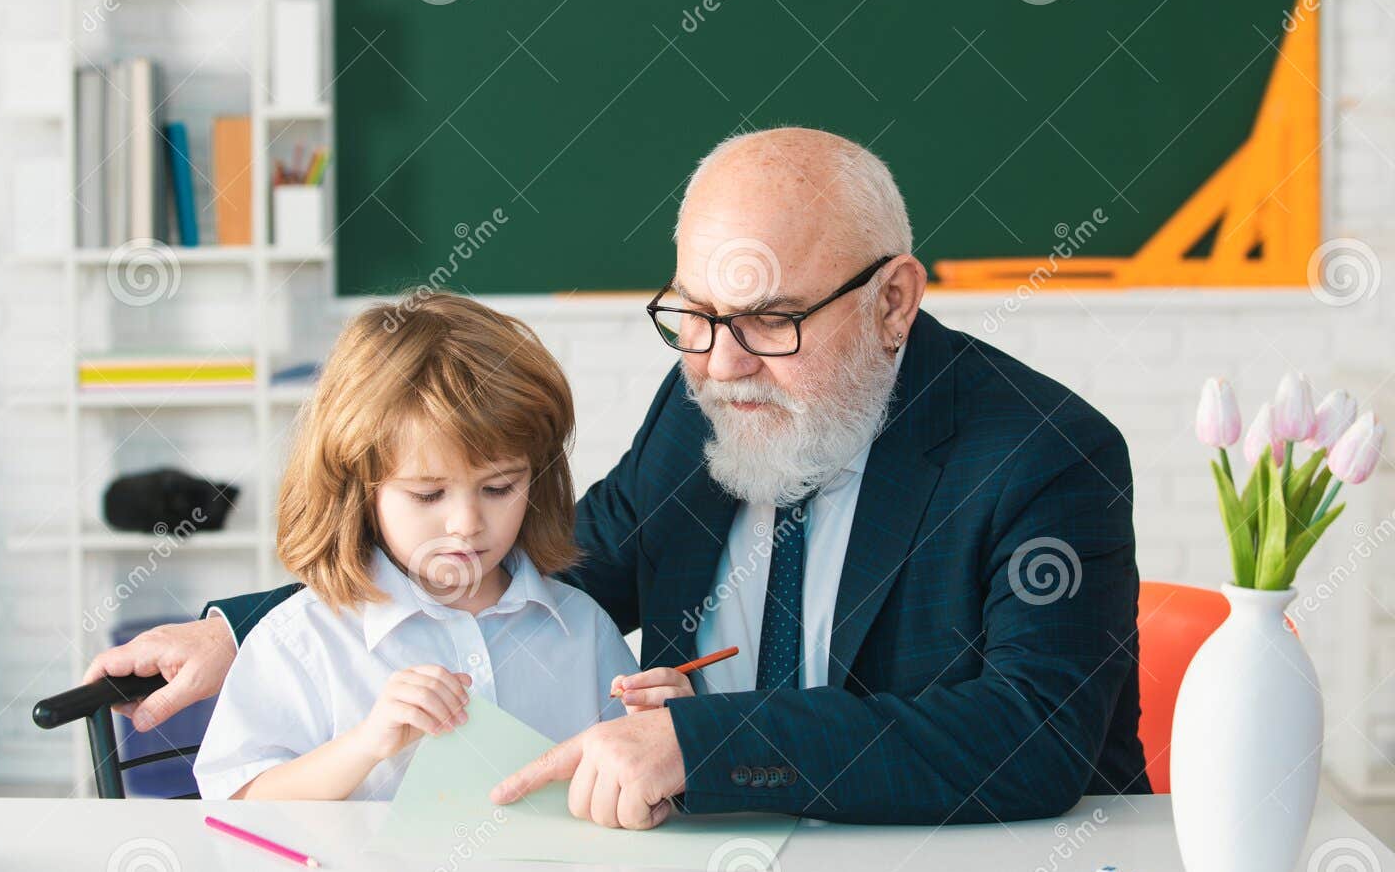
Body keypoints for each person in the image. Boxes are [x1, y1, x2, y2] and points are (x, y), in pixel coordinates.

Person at [92, 127, 1150, 829]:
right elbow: (546, 565)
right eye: (691, 316)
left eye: (770, 323)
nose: (722, 366)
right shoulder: (699, 398)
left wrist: (706, 741)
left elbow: (1029, 737)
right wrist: (254, 625)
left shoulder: (1043, 454)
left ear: (892, 301)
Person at [190, 293, 680, 802]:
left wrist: (669, 739)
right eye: (428, 494)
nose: (466, 524)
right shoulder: (303, 640)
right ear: (359, 487)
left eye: (498, 489)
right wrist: (365, 745)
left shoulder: (581, 628)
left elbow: (634, 787)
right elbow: (238, 803)